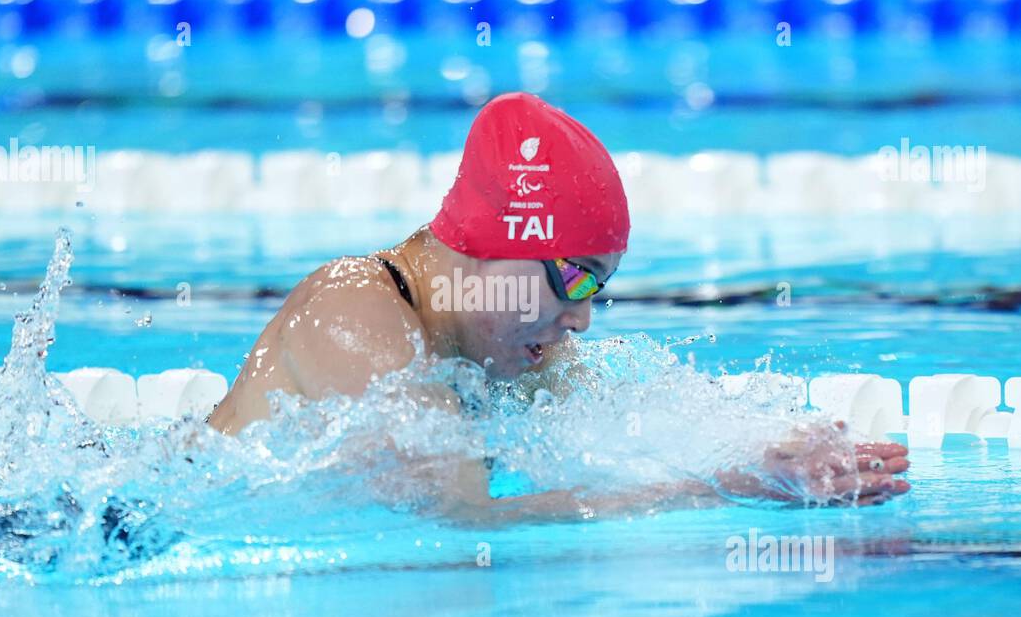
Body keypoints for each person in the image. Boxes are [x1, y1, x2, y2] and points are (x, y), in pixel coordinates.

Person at [208, 92, 909, 523]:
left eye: (596, 291)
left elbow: (645, 433)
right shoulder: (353, 310)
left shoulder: (503, 358)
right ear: (496, 246)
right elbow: (461, 518)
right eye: (576, 278)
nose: (581, 317)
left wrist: (769, 455)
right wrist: (719, 492)